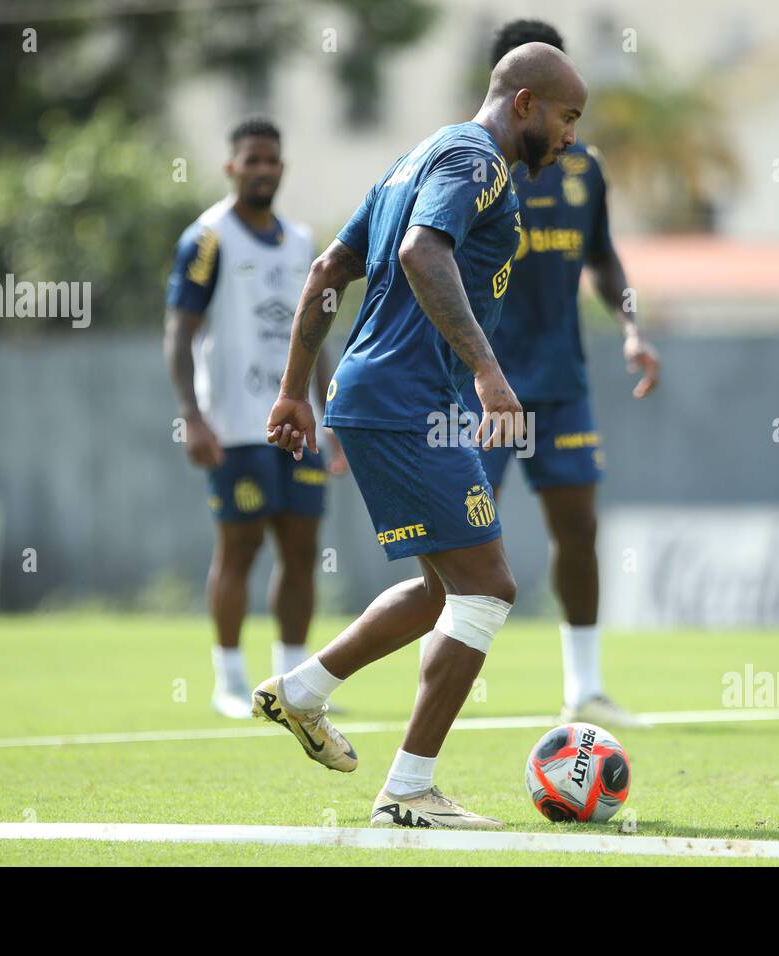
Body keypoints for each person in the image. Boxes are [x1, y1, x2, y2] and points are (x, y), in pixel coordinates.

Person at [256, 43, 588, 829]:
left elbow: (327, 271)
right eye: (568, 118)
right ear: (524, 106)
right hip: (409, 401)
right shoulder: (476, 162)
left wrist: (295, 390)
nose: (572, 137)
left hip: (386, 397)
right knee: (491, 587)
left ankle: (302, 691)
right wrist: (487, 370)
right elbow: (418, 251)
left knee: (448, 587)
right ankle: (408, 791)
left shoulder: (414, 158)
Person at [465, 20, 660, 728]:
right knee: (463, 539)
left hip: (561, 381)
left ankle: (584, 686)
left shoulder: (584, 168)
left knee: (578, 528)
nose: (563, 123)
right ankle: (447, 680)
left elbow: (603, 259)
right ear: (516, 95)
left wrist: (632, 328)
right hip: (482, 386)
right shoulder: (471, 165)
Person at [164, 118, 345, 720]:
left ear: (282, 167)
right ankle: (231, 680)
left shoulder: (300, 242)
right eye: (252, 160)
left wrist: (333, 414)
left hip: (301, 428)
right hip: (238, 425)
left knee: (301, 549)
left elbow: (316, 334)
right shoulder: (208, 238)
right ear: (231, 167)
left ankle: (294, 684)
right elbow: (179, 330)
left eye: (272, 160)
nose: (263, 170)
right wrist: (193, 415)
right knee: (239, 548)